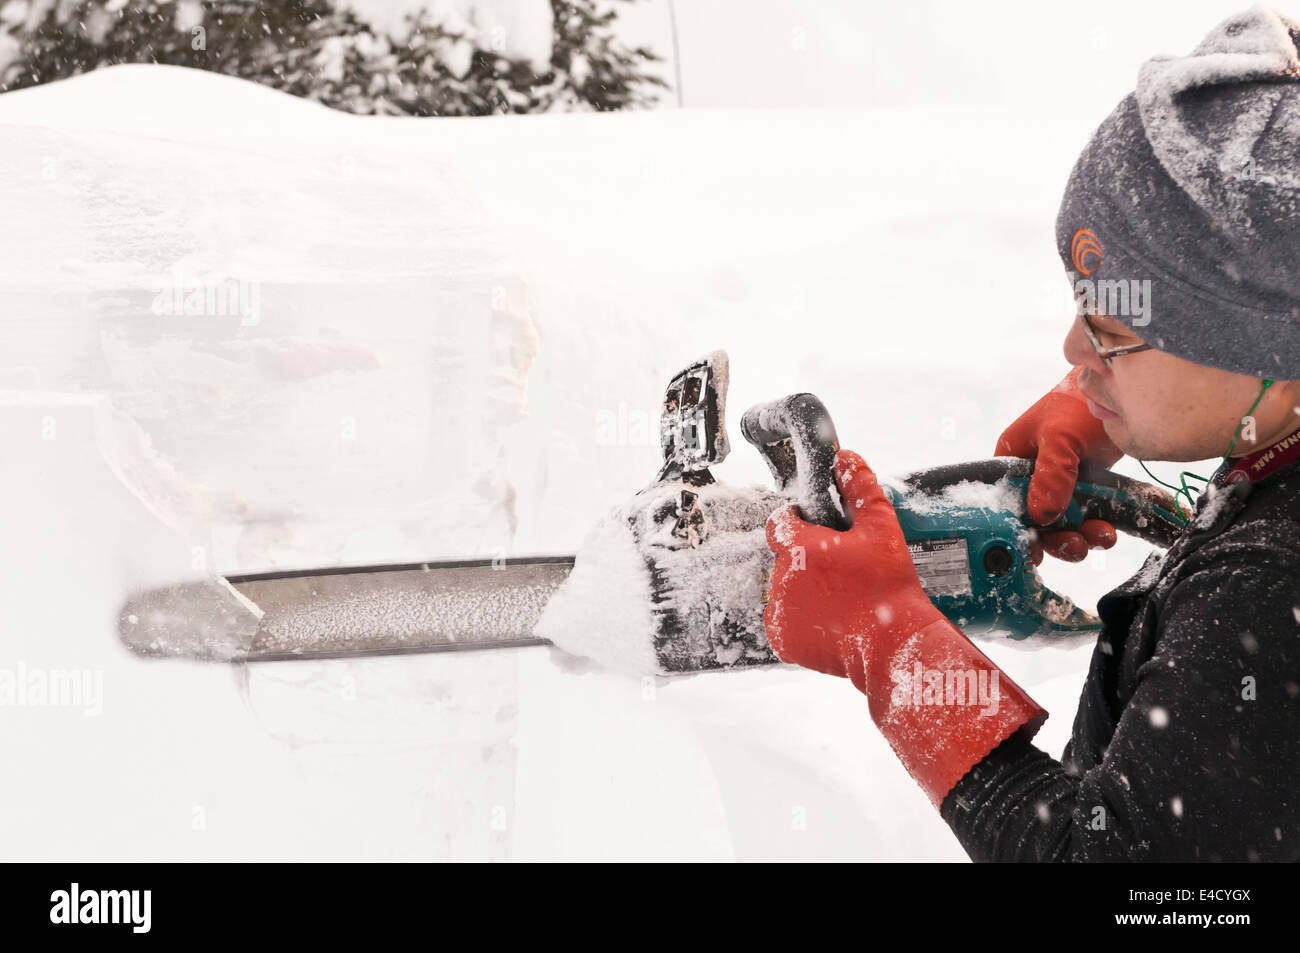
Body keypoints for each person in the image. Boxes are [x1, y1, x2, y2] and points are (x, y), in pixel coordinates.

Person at [764, 5, 1300, 861]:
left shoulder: (1269, 594)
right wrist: (1111, 399)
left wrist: (896, 649)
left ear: (1261, 346)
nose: (1072, 351)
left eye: (1114, 330)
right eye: (1083, 308)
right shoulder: (1276, 426)